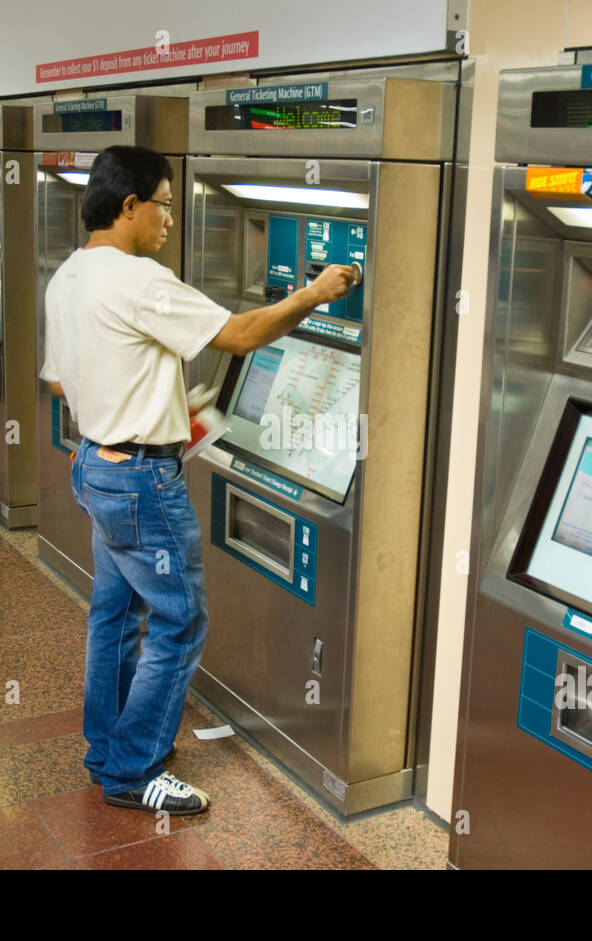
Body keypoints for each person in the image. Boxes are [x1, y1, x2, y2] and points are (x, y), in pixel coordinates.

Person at [40, 145, 355, 816]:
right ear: (129, 207)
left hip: (98, 463)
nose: (169, 221)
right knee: (180, 621)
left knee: (116, 616)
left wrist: (143, 407)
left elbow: (67, 379)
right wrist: (315, 293)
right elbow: (239, 336)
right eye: (163, 205)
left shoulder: (67, 277)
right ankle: (134, 770)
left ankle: (108, 751)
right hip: (143, 481)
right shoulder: (139, 279)